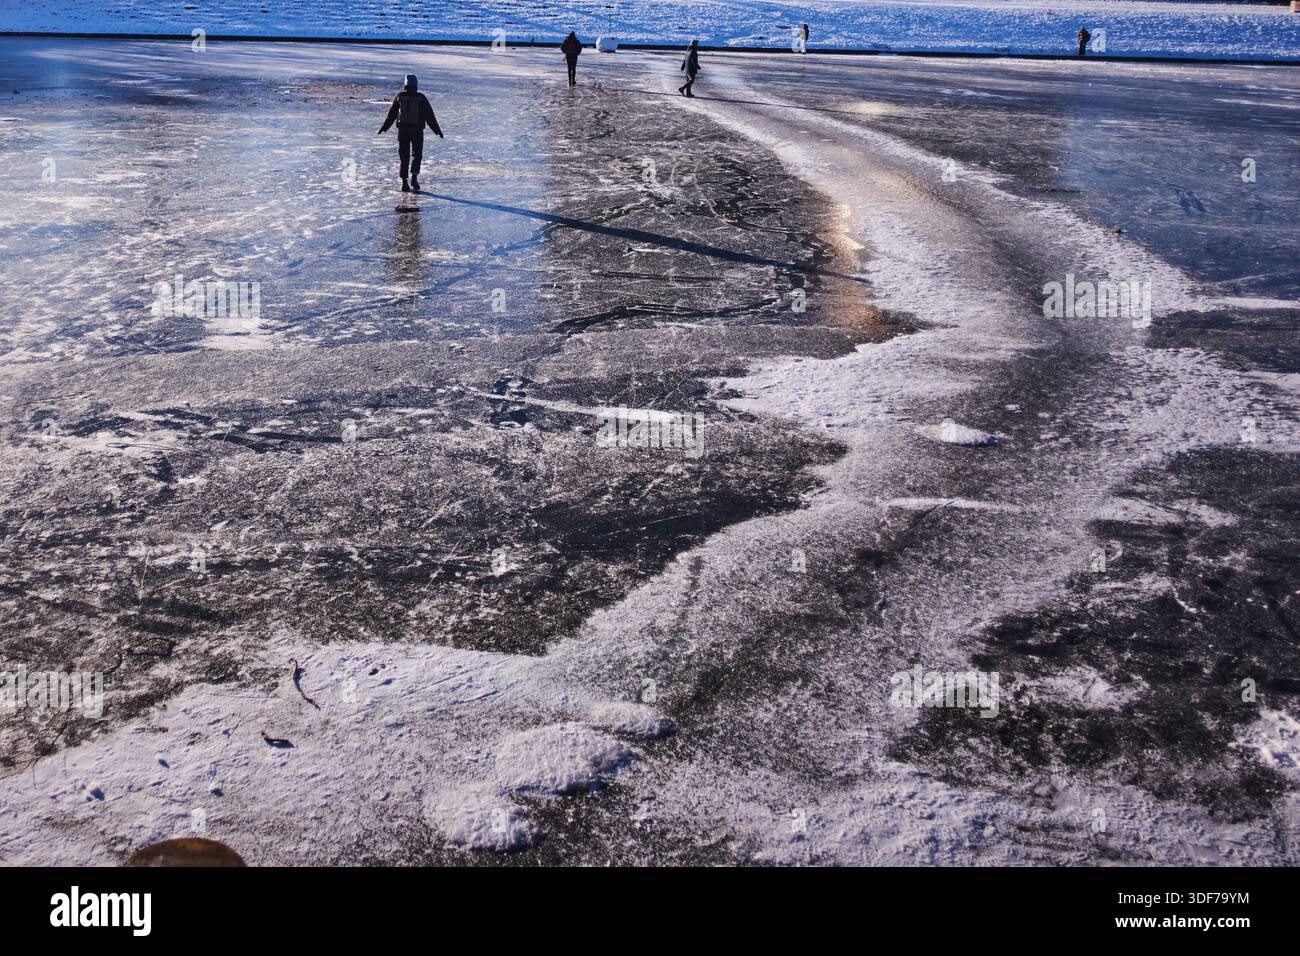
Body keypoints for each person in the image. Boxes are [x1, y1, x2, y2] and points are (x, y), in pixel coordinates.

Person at [377, 74, 444, 193]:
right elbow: (430, 116)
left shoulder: (399, 96)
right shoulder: (421, 97)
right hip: (417, 131)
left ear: (405, 84)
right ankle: (414, 177)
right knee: (417, 154)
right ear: (416, 85)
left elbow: (391, 115)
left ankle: (404, 182)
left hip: (403, 131)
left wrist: (384, 128)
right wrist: (437, 131)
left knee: (404, 156)